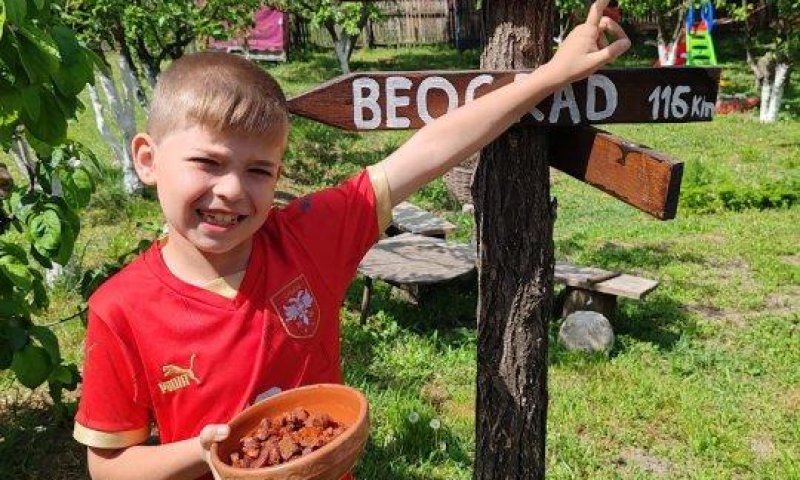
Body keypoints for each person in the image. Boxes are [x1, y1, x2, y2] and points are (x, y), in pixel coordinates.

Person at [72, 1, 629, 479]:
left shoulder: (308, 238)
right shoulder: (120, 309)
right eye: (207, 162)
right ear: (147, 159)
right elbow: (110, 466)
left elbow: (431, 149)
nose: (232, 191)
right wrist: (204, 453)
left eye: (259, 171)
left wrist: (549, 75)